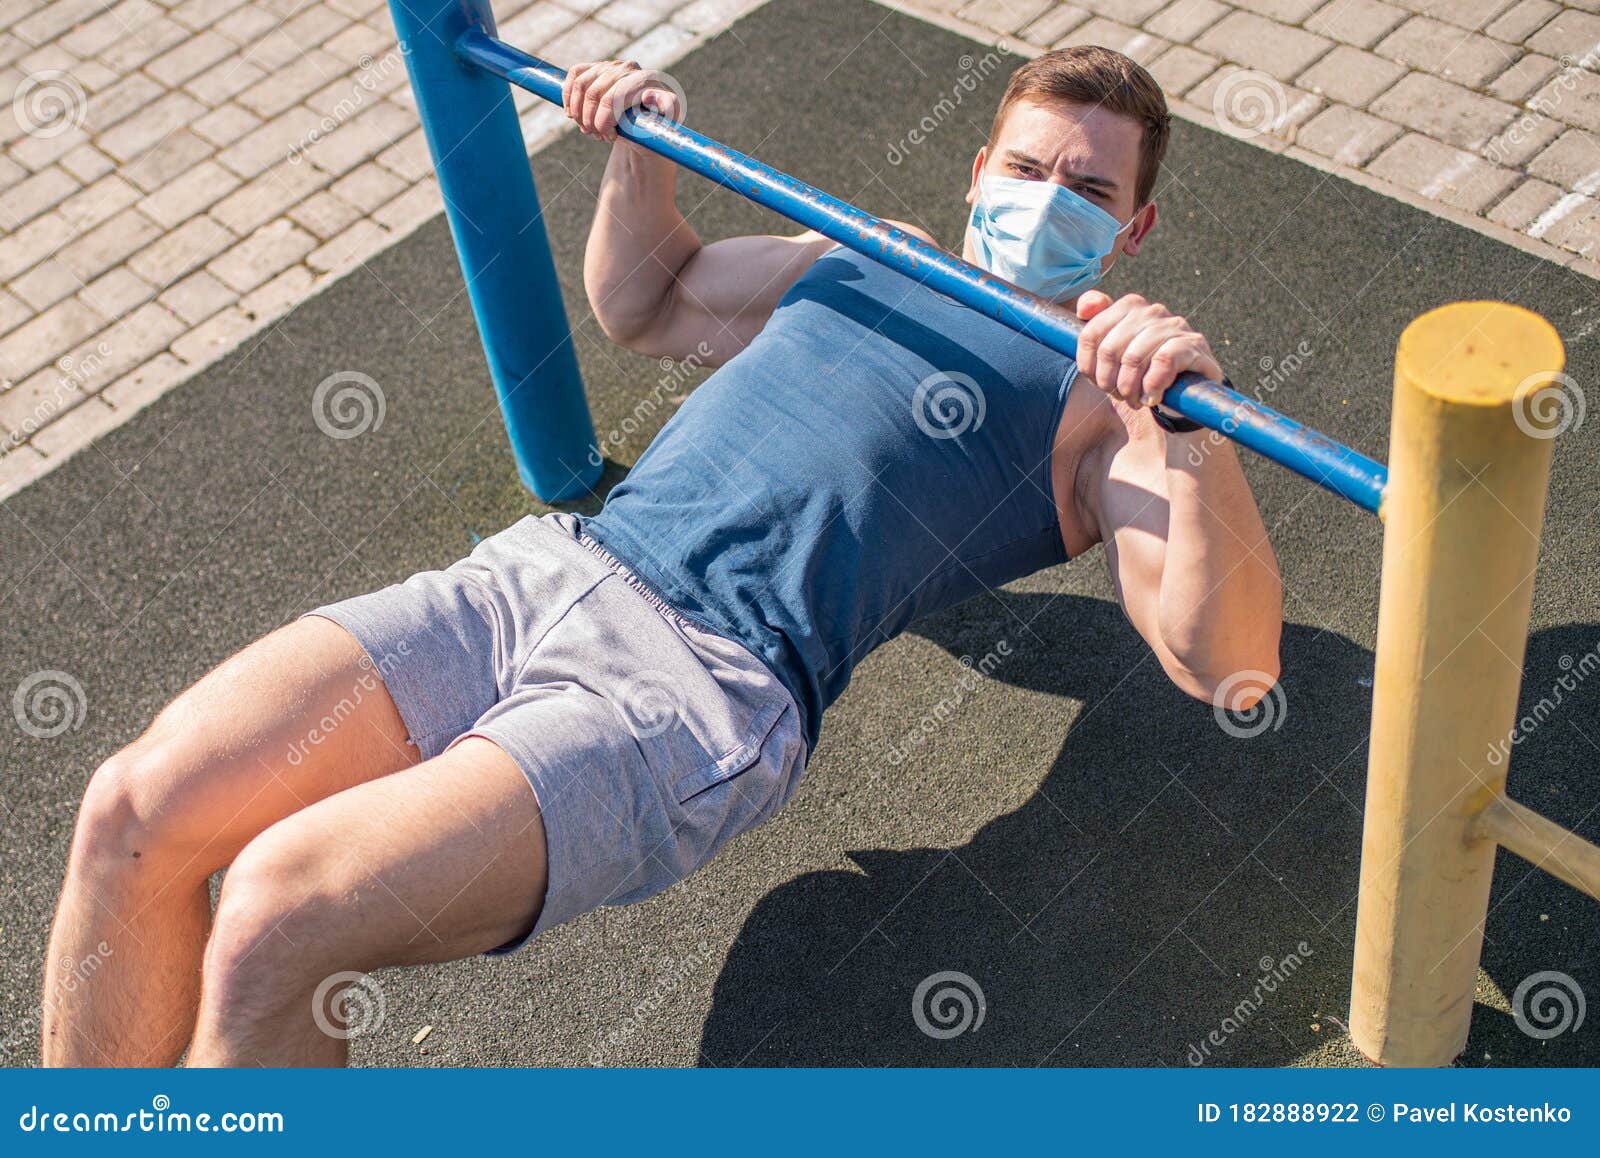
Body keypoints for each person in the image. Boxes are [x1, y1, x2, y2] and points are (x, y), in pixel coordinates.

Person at [41, 45, 1281, 1066]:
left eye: (1088, 190)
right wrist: (635, 161)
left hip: (697, 686)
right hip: (546, 569)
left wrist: (1188, 430)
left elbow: (1218, 658)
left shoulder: (1103, 399)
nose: (1046, 198)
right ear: (978, 169)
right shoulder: (870, 247)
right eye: (1026, 166)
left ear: (1134, 228)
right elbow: (654, 299)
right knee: (134, 812)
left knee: (277, 913)